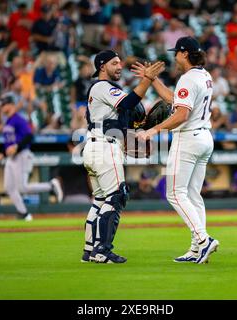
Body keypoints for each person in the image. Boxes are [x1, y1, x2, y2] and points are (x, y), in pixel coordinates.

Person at [132, 36, 219, 264]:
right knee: (192, 195)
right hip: (204, 137)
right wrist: (152, 80)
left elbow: (181, 114)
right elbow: (175, 101)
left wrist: (153, 131)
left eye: (177, 52)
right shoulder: (204, 75)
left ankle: (203, 240)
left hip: (188, 138)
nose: (174, 56)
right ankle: (196, 249)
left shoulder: (188, 78)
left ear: (185, 54)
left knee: (174, 193)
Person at [81, 50, 164, 263]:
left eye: (120, 62)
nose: (119, 66)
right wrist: (148, 79)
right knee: (116, 196)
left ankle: (90, 250)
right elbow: (128, 103)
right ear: (102, 66)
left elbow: (122, 117)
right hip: (104, 147)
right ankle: (102, 250)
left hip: (95, 146)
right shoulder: (102, 86)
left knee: (100, 200)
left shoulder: (101, 90)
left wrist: (140, 126)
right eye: (114, 63)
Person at [0, 92, 63, 221]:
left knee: (22, 187)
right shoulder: (8, 120)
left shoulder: (18, 118)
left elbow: (29, 136)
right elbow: (9, 142)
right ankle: (24, 213)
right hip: (12, 158)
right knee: (9, 188)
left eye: (4, 104)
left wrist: (17, 147)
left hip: (22, 155)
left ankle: (51, 186)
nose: (2, 107)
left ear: (10, 104)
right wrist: (3, 153)